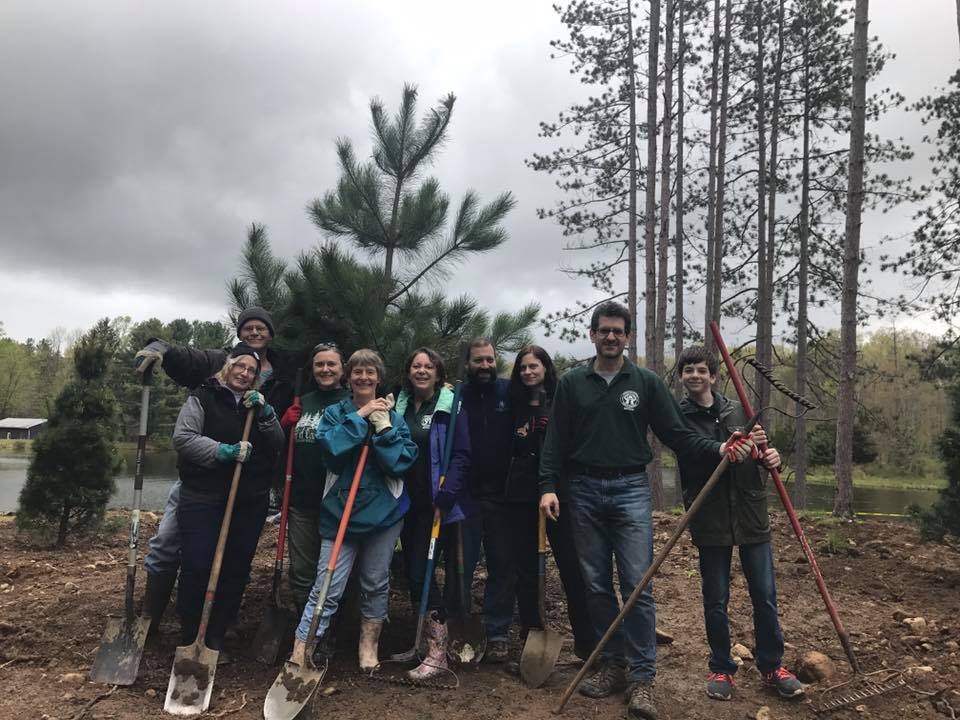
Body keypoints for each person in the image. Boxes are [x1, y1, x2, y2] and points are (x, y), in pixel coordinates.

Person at [538, 302, 755, 720]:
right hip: (582, 489)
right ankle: (613, 665)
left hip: (630, 489)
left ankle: (642, 677)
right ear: (592, 334)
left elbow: (678, 434)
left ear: (628, 336)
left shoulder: (646, 382)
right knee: (596, 585)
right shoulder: (571, 383)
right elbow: (556, 443)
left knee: (638, 583)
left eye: (619, 331)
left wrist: (719, 447)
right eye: (604, 330)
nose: (611, 337)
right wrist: (547, 487)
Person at [134, 307, 298, 632]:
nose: (254, 332)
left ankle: (221, 622)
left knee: (235, 556)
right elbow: (186, 359)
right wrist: (160, 348)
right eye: (247, 327)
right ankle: (151, 618)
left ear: (271, 333)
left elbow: (282, 432)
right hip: (201, 482)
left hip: (249, 484)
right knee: (169, 544)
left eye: (260, 327)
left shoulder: (285, 375)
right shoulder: (216, 364)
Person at [676, 346, 803, 701]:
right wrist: (722, 451)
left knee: (764, 594)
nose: (696, 376)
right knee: (715, 597)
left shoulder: (740, 410)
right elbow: (689, 455)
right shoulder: (679, 417)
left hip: (751, 515)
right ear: (682, 378)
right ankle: (721, 666)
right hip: (710, 515)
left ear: (714, 376)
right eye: (689, 371)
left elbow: (763, 454)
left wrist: (769, 458)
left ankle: (772, 665)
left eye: (702, 370)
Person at [290, 349, 417, 672]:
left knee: (374, 581)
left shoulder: (395, 418)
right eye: (357, 372)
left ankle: (368, 644)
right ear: (348, 376)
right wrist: (359, 418)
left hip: (384, 514)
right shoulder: (335, 414)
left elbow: (399, 463)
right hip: (340, 512)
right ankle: (303, 646)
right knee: (328, 584)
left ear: (379, 377)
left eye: (370, 372)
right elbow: (332, 449)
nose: (363, 378)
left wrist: (384, 427)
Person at [172, 343, 285, 650]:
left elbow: (277, 442)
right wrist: (222, 451)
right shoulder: (203, 396)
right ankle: (192, 634)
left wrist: (267, 414)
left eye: (251, 370)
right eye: (240, 366)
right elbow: (183, 438)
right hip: (203, 496)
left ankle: (218, 636)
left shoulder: (256, 405)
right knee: (197, 564)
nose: (245, 373)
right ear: (228, 366)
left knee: (235, 569)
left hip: (247, 500)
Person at [505, 345, 594, 659]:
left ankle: (587, 643)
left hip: (560, 496)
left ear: (546, 368)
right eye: (523, 367)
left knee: (572, 568)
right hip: (520, 496)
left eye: (534, 366)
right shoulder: (513, 403)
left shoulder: (562, 401)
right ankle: (531, 637)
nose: (528, 372)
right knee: (526, 571)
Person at [395, 347, 474, 680]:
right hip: (402, 502)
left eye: (428, 366)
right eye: (416, 365)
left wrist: (448, 491)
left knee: (420, 571)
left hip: (435, 503)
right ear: (409, 371)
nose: (422, 370)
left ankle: (439, 652)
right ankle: (420, 645)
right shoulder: (398, 405)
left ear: (438, 373)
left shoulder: (449, 407)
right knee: (412, 574)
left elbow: (461, 455)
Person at [279, 342, 351, 616]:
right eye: (319, 364)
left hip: (338, 502)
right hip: (301, 499)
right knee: (302, 568)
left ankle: (331, 627)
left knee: (333, 567)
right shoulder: (303, 402)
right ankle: (303, 626)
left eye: (331, 364)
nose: (325, 369)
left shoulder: (351, 400)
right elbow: (279, 445)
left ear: (342, 369)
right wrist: (284, 423)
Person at [460, 337, 515, 663]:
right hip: (464, 498)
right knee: (461, 567)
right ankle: (461, 629)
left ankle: (497, 633)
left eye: (489, 360)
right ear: (467, 363)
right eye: (478, 360)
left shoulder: (509, 393)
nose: (484, 366)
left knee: (501, 567)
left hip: (502, 497)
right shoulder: (455, 397)